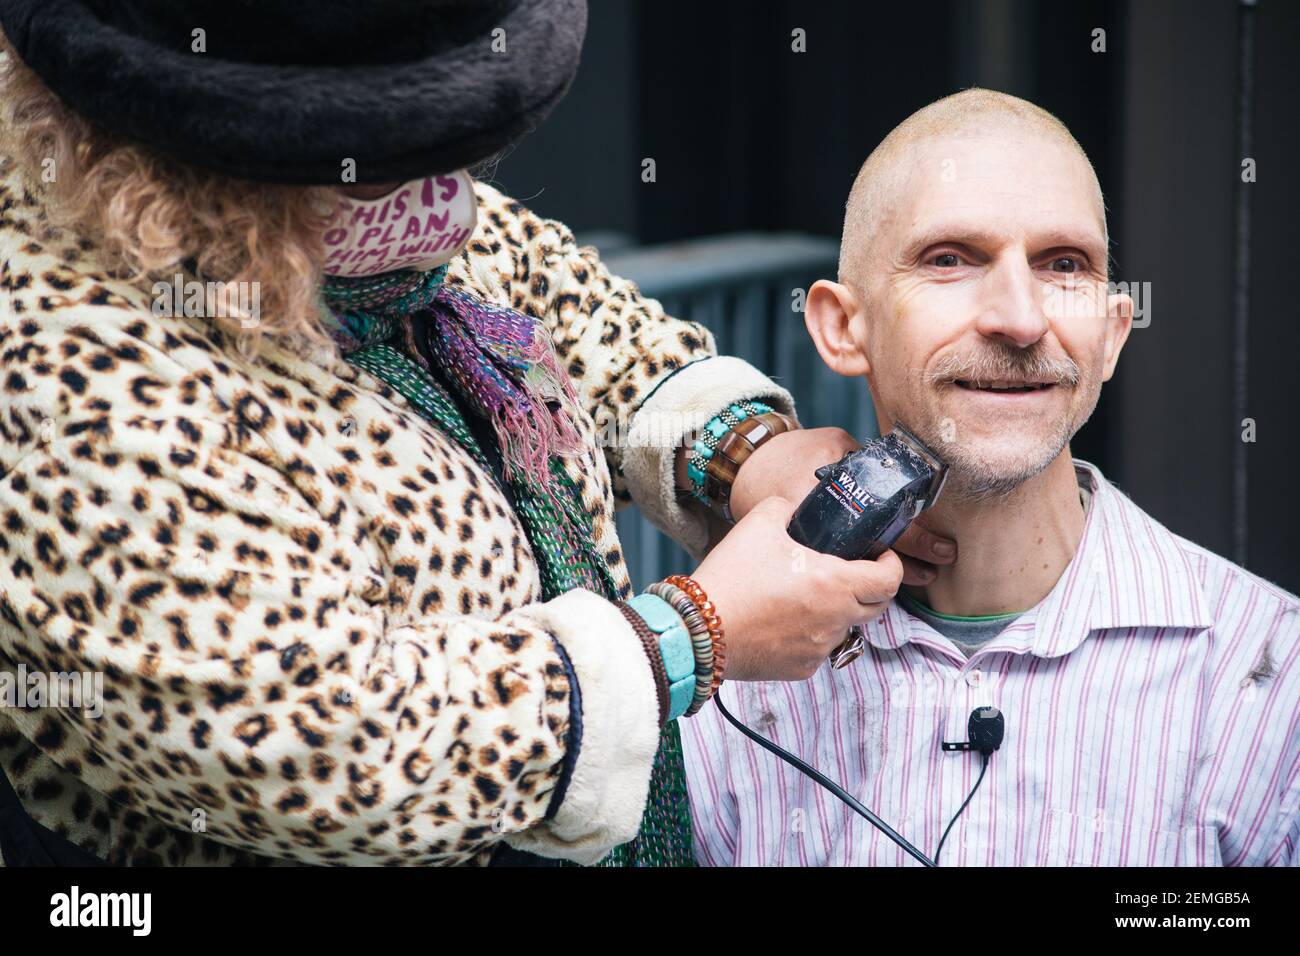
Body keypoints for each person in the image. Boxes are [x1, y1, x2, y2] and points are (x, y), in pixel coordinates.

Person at [0, 0, 946, 866]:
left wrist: (745, 452)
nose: (454, 197)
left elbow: (570, 312)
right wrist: (692, 637)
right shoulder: (70, 391)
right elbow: (333, 750)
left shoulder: (366, 211)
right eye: (398, 153)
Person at [681, 88, 1299, 867]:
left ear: (1110, 337)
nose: (1020, 318)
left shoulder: (1271, 681)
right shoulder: (723, 678)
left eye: (1063, 265)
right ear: (843, 326)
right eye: (951, 261)